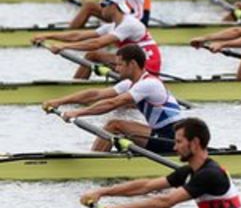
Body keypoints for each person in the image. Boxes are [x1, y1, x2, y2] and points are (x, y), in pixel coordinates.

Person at [78, 117, 241, 208]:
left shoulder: (210, 174)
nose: (175, 148)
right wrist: (102, 192)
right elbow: (145, 186)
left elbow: (164, 202)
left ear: (195, 143)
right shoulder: (190, 171)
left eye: (179, 142)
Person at [42, 45, 179, 153]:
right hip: (160, 133)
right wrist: (59, 101)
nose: (117, 69)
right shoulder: (130, 83)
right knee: (119, 130)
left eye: (120, 65)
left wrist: (77, 113)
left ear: (132, 64)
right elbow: (95, 94)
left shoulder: (148, 84)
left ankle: (94, 162)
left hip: (172, 139)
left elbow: (113, 103)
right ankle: (100, 156)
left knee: (114, 125)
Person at [32, 0, 162, 79]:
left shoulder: (129, 24)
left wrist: (64, 46)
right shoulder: (113, 25)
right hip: (132, 63)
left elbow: (97, 43)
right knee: (94, 56)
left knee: (93, 55)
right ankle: (78, 85)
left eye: (103, 4)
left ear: (113, 5)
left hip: (148, 65)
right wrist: (47, 36)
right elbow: (78, 35)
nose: (100, 7)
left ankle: (76, 85)